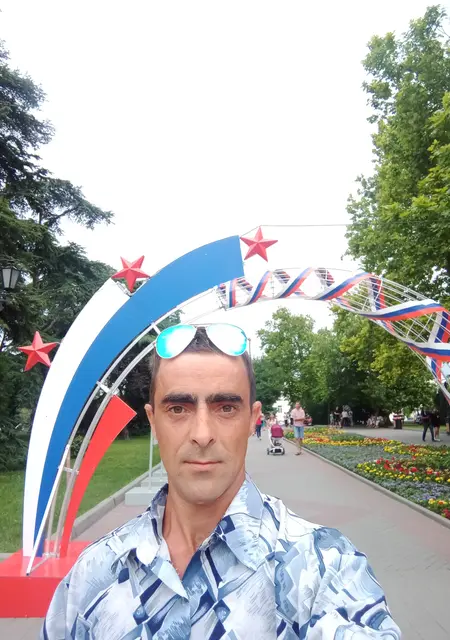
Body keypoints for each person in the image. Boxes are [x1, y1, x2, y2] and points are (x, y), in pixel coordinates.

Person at [42, 324, 400, 639]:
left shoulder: (322, 569)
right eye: (178, 409)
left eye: (226, 408)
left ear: (252, 419)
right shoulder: (93, 574)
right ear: (153, 422)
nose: (202, 434)